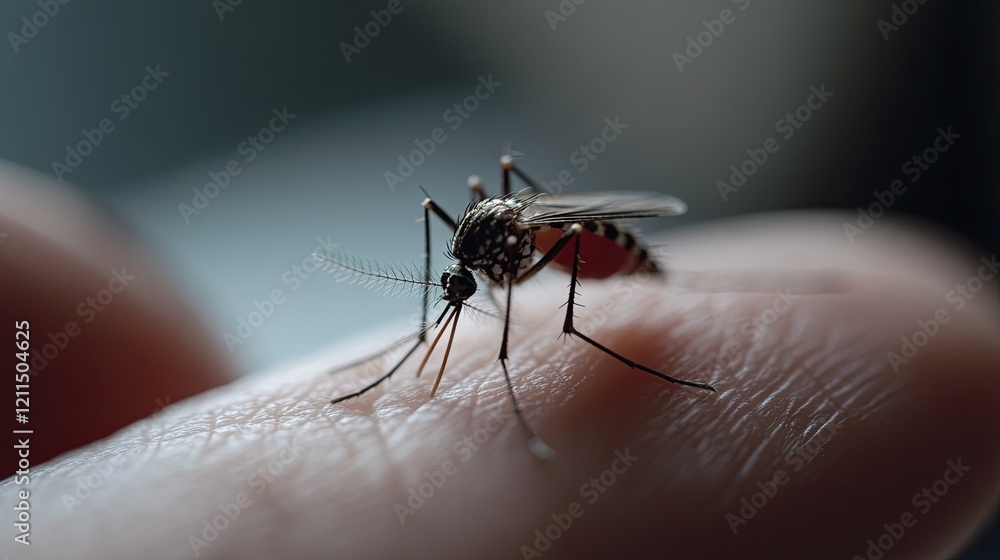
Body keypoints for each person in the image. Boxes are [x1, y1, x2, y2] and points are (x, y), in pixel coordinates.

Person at [2, 162, 998, 559]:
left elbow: (526, 233)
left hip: (591, 245)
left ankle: (599, 323)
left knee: (538, 279)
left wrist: (550, 298)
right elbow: (475, 265)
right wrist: (414, 349)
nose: (459, 295)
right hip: (533, 239)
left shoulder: (515, 242)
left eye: (457, 291)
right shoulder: (469, 256)